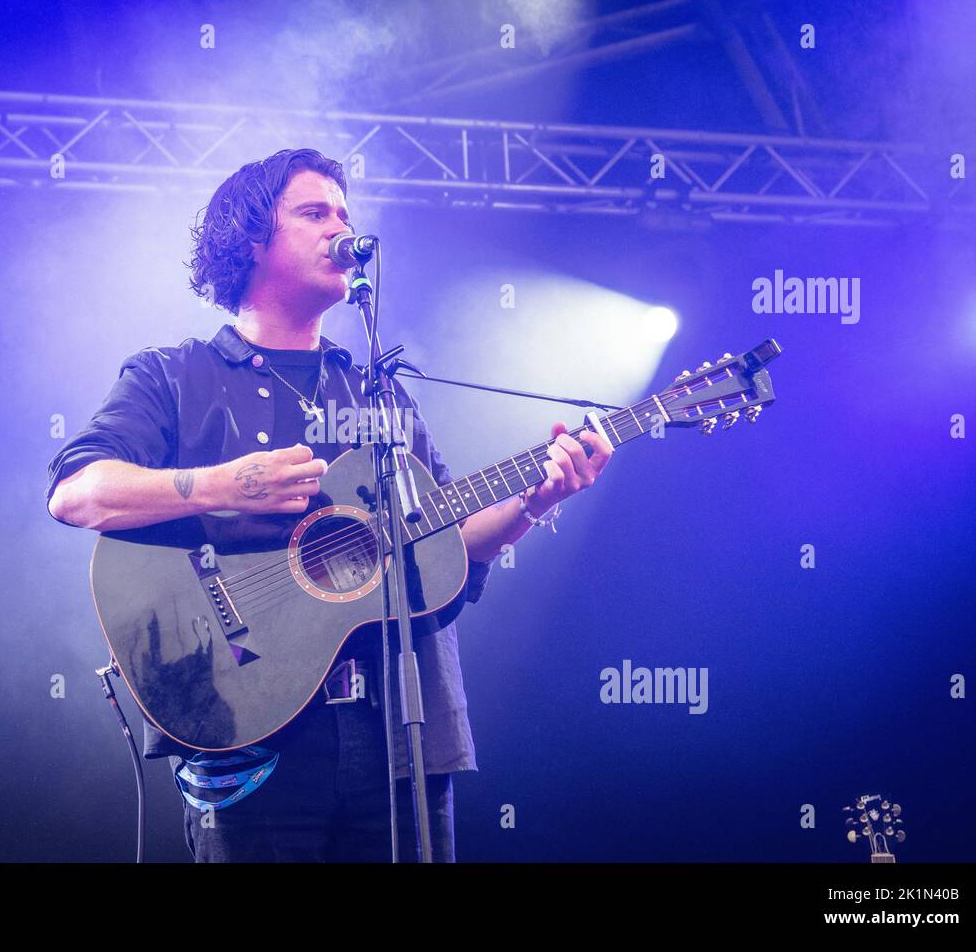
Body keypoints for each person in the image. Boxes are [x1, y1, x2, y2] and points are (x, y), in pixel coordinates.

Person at [45, 148, 613, 862]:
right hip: (250, 736)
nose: (341, 229)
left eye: (345, 214)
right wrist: (225, 484)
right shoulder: (175, 375)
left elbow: (451, 534)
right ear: (251, 239)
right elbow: (77, 491)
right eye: (315, 213)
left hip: (400, 737)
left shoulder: (375, 392)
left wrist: (535, 501)